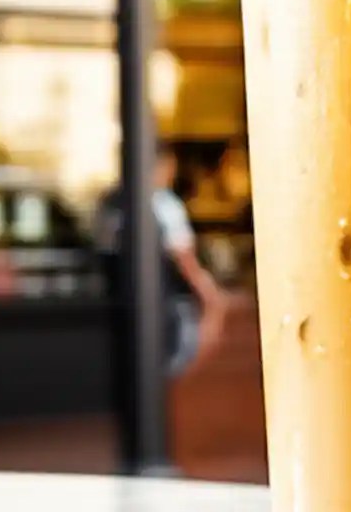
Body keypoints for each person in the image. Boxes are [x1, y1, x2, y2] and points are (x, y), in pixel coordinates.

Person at [95, 141, 230, 473]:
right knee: (167, 376)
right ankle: (156, 453)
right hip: (165, 308)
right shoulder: (163, 205)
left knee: (138, 379)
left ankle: (144, 452)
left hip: (122, 310)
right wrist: (211, 299)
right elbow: (185, 259)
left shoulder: (110, 205)